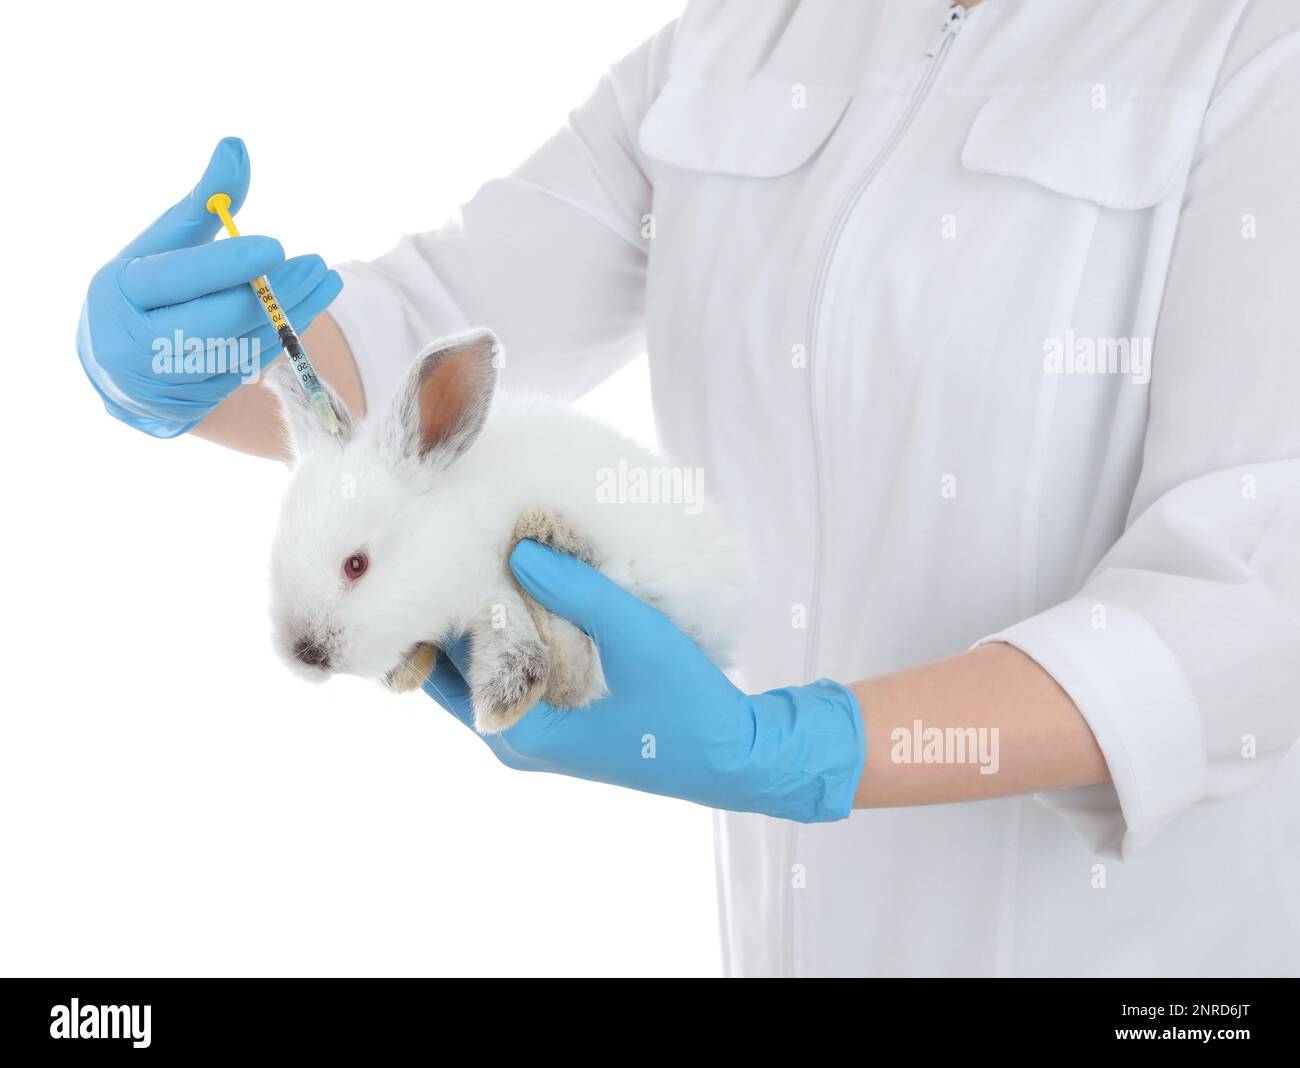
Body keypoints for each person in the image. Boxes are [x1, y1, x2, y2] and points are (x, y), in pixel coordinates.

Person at [76, 0, 1300, 977]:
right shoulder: (743, 38)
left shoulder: (1254, 47)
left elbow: (1244, 609)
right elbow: (418, 356)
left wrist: (817, 746)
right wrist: (172, 368)